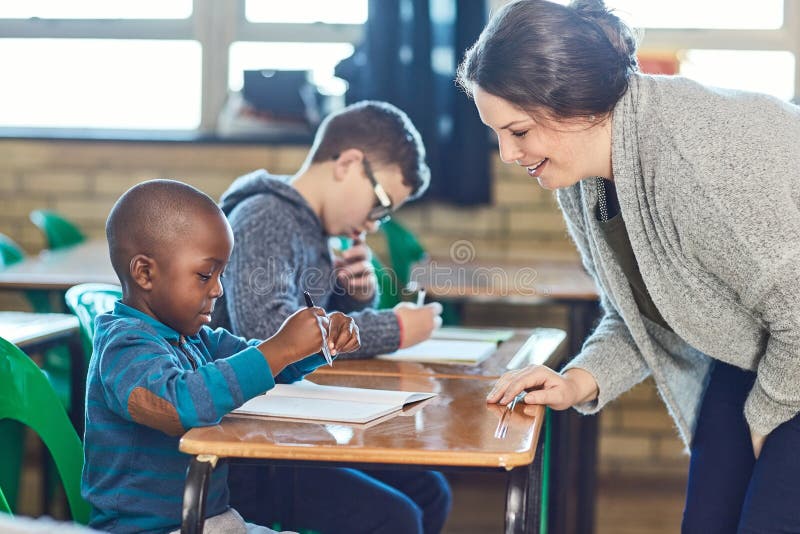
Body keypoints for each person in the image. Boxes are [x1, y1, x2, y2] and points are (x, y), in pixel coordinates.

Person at [457, 0, 800, 531]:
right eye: (496, 133)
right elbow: (642, 310)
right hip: (768, 344)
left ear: (575, 105)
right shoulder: (587, 170)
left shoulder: (692, 163)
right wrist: (577, 380)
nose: (506, 153)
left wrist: (765, 422)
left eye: (519, 131)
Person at [212, 100, 452, 534]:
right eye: (380, 204)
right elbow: (269, 335)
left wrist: (357, 294)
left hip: (292, 422)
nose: (376, 223)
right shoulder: (265, 216)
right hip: (247, 447)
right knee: (395, 519)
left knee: (429, 489)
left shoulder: (312, 229)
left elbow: (315, 324)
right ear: (348, 163)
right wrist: (393, 329)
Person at [82, 179, 360, 533]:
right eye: (204, 275)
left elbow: (264, 363)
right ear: (144, 273)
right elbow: (178, 404)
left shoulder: (193, 339)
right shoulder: (123, 347)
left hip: (209, 518)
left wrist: (315, 345)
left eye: (221, 274)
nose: (218, 289)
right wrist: (281, 347)